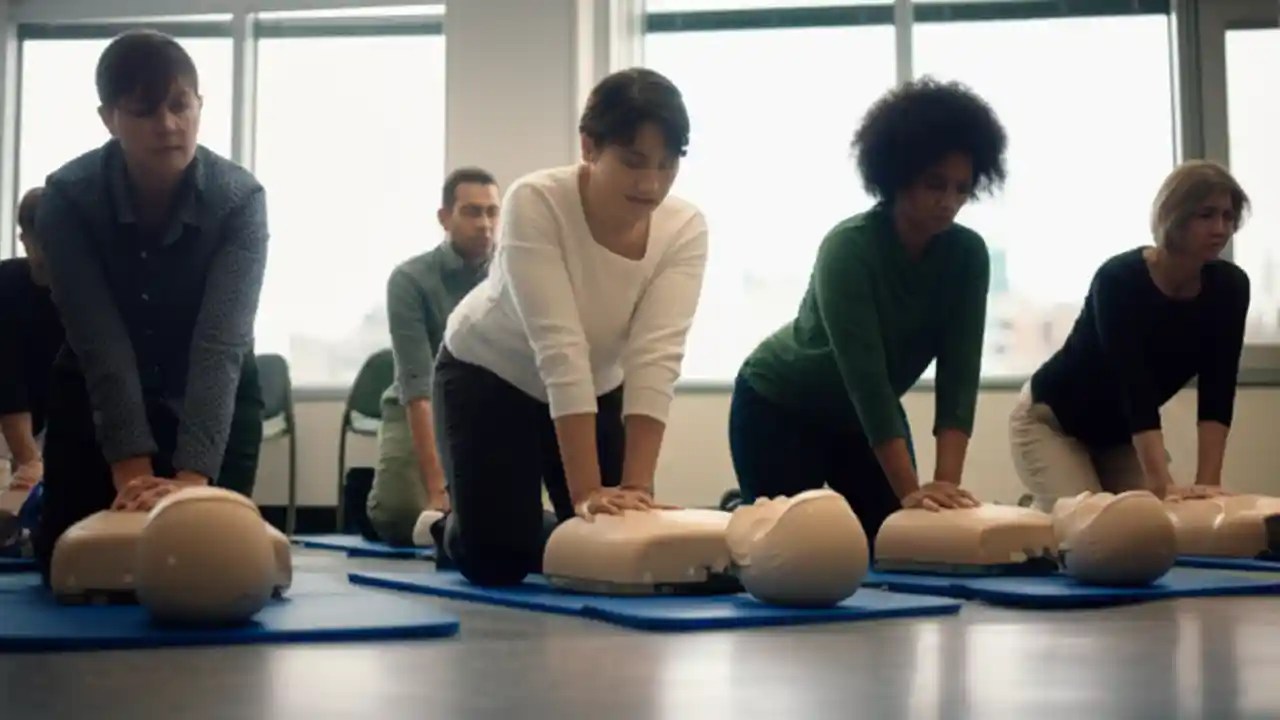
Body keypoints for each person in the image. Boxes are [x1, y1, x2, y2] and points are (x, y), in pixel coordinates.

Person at [431, 67, 708, 585]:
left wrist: (636, 492)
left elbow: (656, 355)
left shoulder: (685, 228)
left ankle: (517, 516)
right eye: (632, 163)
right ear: (589, 147)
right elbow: (559, 347)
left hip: (598, 384)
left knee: (614, 525)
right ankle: (454, 526)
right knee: (498, 559)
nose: (650, 184)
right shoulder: (535, 201)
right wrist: (586, 496)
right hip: (489, 373)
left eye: (666, 166)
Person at [727, 77, 1008, 548]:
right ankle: (739, 507)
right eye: (934, 184)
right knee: (795, 551)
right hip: (779, 406)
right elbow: (868, 381)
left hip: (860, 421)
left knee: (897, 542)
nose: (949, 201)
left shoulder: (967, 254)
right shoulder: (848, 248)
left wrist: (943, 491)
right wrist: (912, 495)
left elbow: (960, 373)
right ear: (898, 176)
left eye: (962, 188)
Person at [31, 30, 268, 580]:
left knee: (213, 569)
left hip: (211, 399)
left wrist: (191, 484)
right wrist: (133, 474)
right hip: (94, 398)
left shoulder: (240, 200)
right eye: (144, 110)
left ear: (199, 105)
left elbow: (221, 342)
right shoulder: (67, 199)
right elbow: (100, 342)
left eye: (179, 105)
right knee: (76, 569)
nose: (168, 125)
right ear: (108, 117)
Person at [1010, 160, 1250, 512]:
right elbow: (1132, 385)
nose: (1220, 228)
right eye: (1206, 215)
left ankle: (1056, 505)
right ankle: (1040, 510)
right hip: (1053, 422)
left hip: (1118, 437)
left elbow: (1218, 387)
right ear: (1174, 216)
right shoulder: (1119, 279)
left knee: (1159, 522)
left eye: (1228, 217)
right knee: (1095, 527)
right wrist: (1160, 484)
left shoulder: (1229, 287)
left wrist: (1207, 487)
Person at [366, 167, 500, 546]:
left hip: (489, 412)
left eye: (492, 212)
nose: (485, 224)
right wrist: (438, 490)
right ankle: (374, 486)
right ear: (445, 218)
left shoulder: (513, 278)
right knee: (399, 518)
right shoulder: (409, 280)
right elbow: (417, 386)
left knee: (516, 520)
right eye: (472, 212)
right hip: (420, 408)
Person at [0, 188, 64, 493]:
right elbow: (7, 376)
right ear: (24, 240)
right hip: (16, 417)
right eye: (40, 243)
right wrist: (28, 460)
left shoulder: (90, 291)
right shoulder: (7, 285)